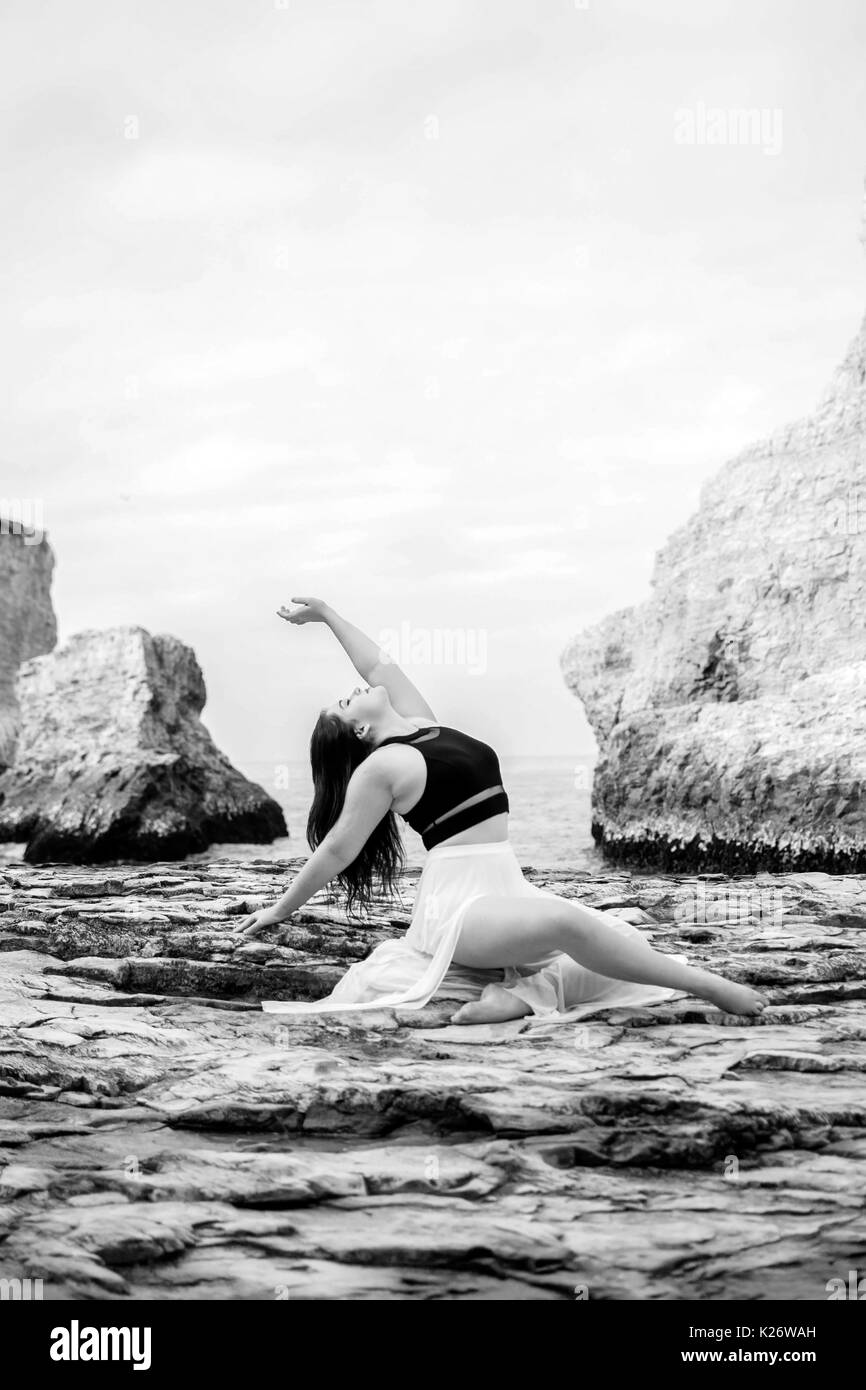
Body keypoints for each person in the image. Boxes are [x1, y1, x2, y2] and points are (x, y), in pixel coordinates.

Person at [236, 599, 767, 1024]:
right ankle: (705, 984)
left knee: (622, 938)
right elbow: (337, 848)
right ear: (357, 731)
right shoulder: (384, 767)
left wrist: (327, 614)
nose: (353, 690)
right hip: (459, 908)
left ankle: (523, 995)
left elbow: (377, 664)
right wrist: (281, 910)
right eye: (345, 702)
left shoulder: (423, 725)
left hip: (503, 884)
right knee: (567, 923)